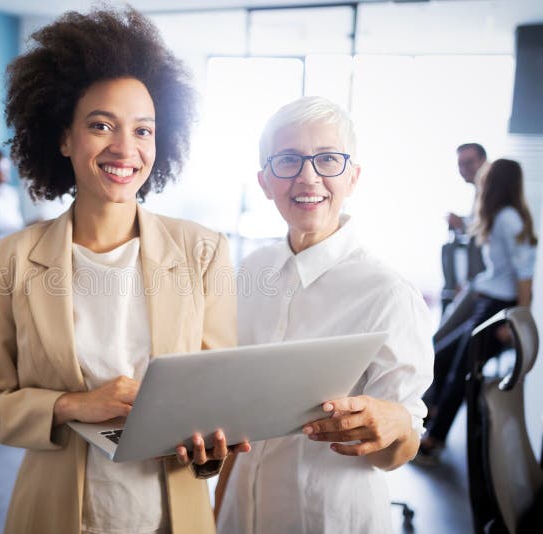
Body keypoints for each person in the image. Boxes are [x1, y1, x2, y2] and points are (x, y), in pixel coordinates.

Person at [0, 8, 248, 534]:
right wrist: (73, 405)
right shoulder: (10, 260)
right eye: (101, 125)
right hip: (55, 514)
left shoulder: (203, 251)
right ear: (64, 137)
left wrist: (210, 450)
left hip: (172, 517)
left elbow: (216, 403)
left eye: (143, 130)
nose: (124, 148)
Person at [214, 96, 433, 534]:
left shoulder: (388, 293)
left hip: (327, 518)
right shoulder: (250, 271)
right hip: (241, 512)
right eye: (288, 159)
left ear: (353, 177)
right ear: (265, 181)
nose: (308, 176)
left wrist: (396, 427)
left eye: (328, 159)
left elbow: (397, 452)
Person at [419, 158, 536, 461]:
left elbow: (525, 278)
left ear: (496, 182)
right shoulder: (497, 216)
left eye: (486, 175)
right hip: (487, 300)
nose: (480, 179)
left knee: (462, 371)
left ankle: (435, 439)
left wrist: (513, 323)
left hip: (499, 308)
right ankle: (432, 412)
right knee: (442, 355)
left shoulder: (509, 219)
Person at [440, 143, 489, 314]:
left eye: (469, 162)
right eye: (460, 164)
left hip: (483, 282)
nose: (464, 169)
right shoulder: (479, 190)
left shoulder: (490, 190)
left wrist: (461, 223)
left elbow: (484, 228)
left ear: (483, 162)